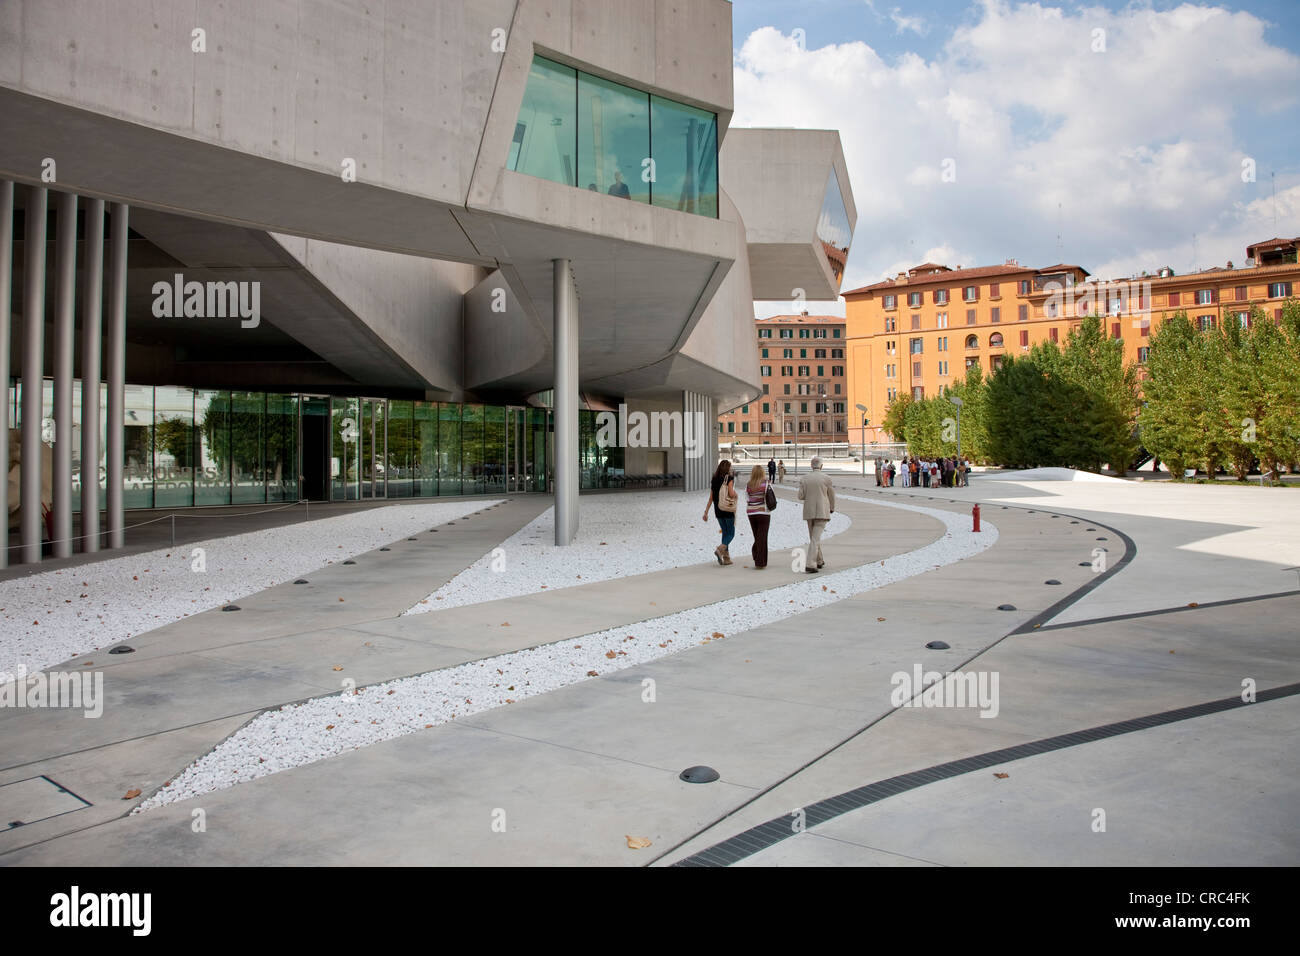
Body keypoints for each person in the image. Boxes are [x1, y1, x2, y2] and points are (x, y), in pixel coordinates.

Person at [797, 457, 835, 572]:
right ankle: (810, 563)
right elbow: (831, 495)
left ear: (811, 466)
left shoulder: (804, 479)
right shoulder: (827, 479)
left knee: (814, 538)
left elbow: (800, 496)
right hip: (822, 511)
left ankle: (819, 560)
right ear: (821, 466)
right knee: (815, 538)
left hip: (809, 511)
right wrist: (832, 507)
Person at [703, 459, 737, 566]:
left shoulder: (714, 479)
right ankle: (720, 549)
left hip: (718, 510)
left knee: (725, 533)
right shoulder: (729, 478)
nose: (731, 469)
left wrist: (706, 512)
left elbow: (711, 498)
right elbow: (731, 494)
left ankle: (726, 558)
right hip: (727, 508)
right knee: (731, 533)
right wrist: (736, 495)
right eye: (730, 467)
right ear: (727, 468)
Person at [744, 464, 771, 569]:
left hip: (751, 513)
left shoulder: (748, 484)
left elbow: (747, 498)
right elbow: (770, 496)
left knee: (757, 536)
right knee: (762, 537)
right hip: (763, 512)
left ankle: (756, 554)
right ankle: (760, 561)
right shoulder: (766, 483)